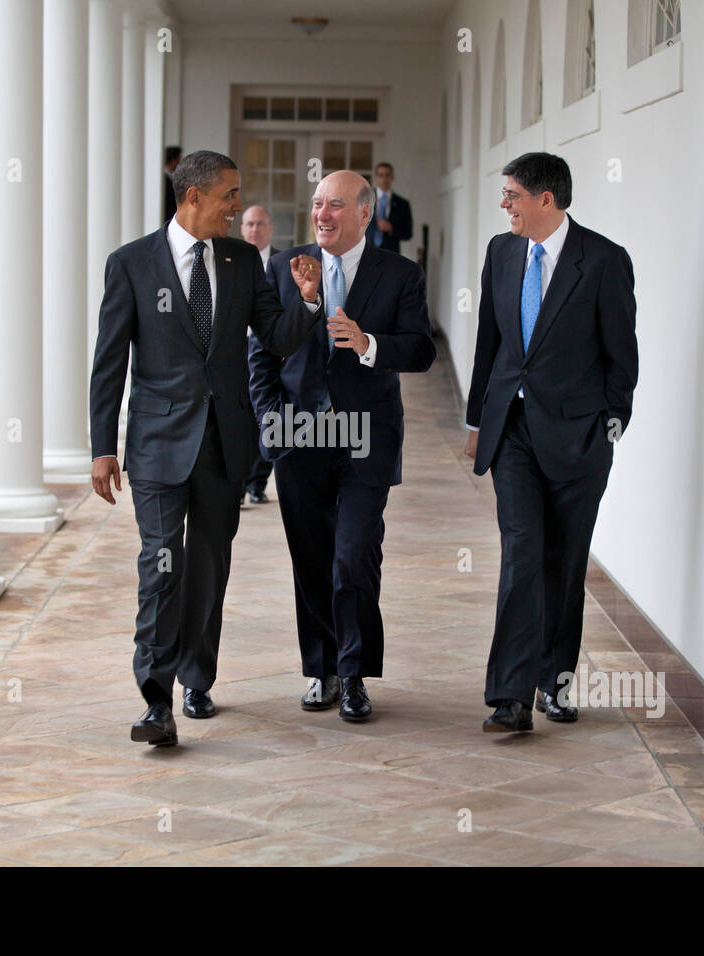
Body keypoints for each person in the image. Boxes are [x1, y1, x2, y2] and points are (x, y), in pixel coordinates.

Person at [90, 150, 323, 747]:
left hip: (224, 446)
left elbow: (276, 339)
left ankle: (198, 678)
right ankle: (154, 701)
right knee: (161, 565)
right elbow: (109, 363)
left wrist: (307, 302)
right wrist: (101, 447)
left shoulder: (243, 260)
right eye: (229, 195)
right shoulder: (131, 264)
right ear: (193, 196)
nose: (237, 206)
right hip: (156, 446)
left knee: (208, 567)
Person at [250, 170, 435, 722]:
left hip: (366, 435)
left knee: (353, 556)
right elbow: (261, 354)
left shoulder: (400, 274)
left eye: (334, 205)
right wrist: (270, 419)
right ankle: (322, 669)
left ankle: (354, 674)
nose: (322, 215)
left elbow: (421, 350)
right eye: (316, 204)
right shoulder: (287, 269)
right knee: (311, 558)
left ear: (362, 213)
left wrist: (368, 343)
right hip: (299, 434)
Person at [463, 152, 638, 733]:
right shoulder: (502, 251)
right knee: (521, 553)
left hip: (578, 439)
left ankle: (555, 681)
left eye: (512, 194)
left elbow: (622, 357)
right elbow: (489, 340)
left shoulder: (604, 262)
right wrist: (476, 422)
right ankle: (509, 695)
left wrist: (610, 424)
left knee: (563, 562)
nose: (504, 204)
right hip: (512, 432)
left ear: (546, 200)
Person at [240, 205, 276, 505]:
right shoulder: (230, 261)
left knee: (267, 415)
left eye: (260, 224)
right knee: (241, 416)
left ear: (270, 228)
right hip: (236, 351)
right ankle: (239, 483)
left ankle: (257, 482)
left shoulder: (281, 263)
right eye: (249, 224)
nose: (255, 230)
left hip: (270, 352)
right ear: (242, 229)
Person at [364, 162, 412, 254]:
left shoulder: (402, 204)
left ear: (392, 178)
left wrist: (391, 228)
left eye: (387, 175)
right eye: (381, 175)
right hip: (366, 252)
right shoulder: (365, 199)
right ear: (376, 178)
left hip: (391, 254)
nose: (384, 179)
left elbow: (408, 233)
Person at [162, 146, 181, 222]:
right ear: (173, 160)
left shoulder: (173, 177)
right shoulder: (163, 179)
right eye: (179, 159)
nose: (180, 162)